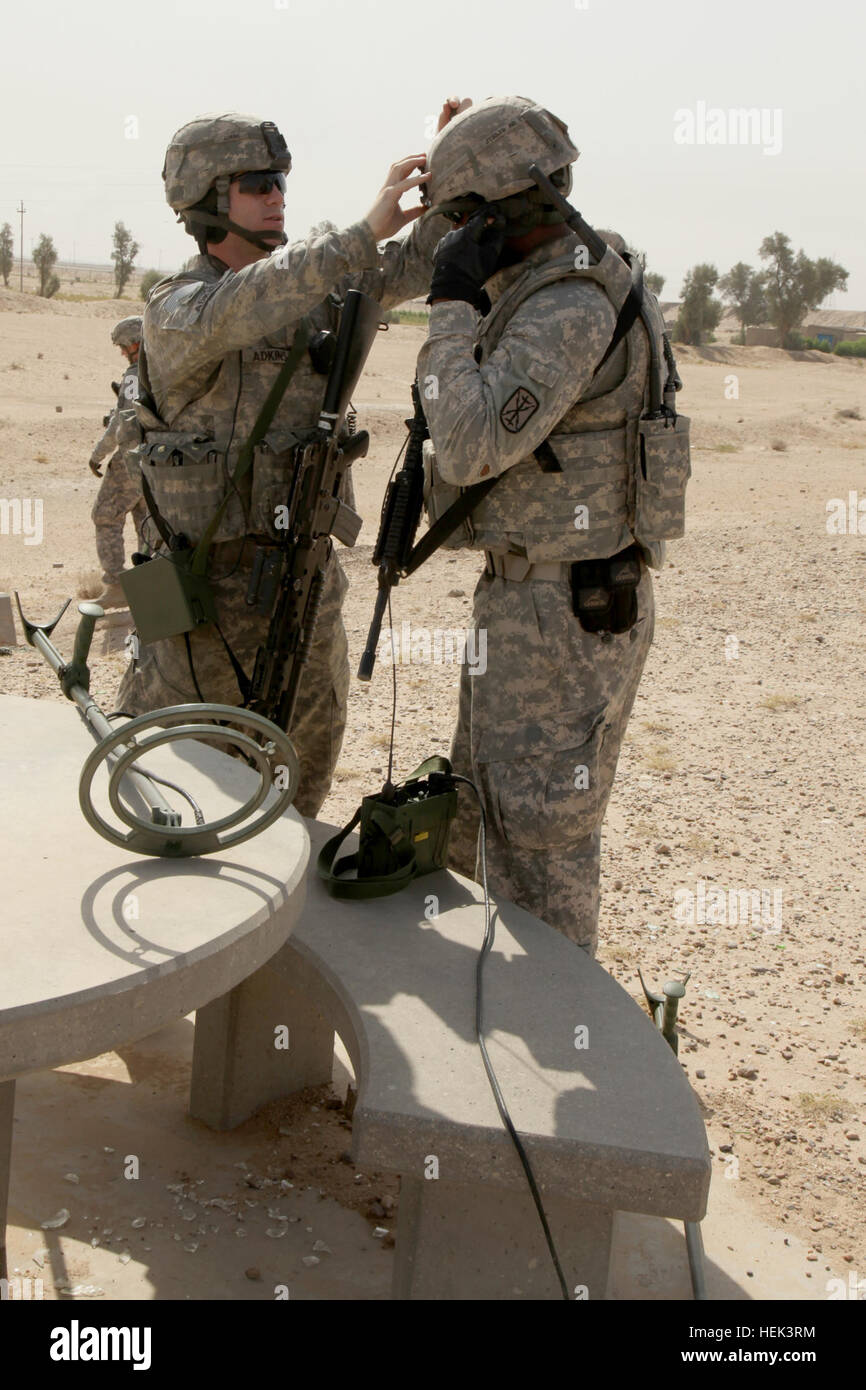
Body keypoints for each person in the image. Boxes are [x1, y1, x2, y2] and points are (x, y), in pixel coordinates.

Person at [116, 104, 465, 817]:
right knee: (190, 795)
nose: (277, 194)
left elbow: (413, 262)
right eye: (256, 182)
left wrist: (451, 167)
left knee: (297, 789)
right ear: (209, 200)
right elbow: (251, 302)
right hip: (199, 615)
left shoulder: (322, 298)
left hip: (302, 594)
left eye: (280, 179)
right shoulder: (178, 310)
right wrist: (362, 232)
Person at [416, 96, 689, 955]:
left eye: (461, 219)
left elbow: (464, 443)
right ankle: (494, 1024)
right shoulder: (572, 269)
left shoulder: (568, 304)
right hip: (538, 602)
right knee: (480, 811)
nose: (452, 238)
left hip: (560, 616)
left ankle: (563, 1050)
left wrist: (451, 306)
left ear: (500, 217)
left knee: (538, 847)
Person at [89, 316, 147, 608]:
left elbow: (120, 426)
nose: (123, 353)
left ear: (136, 343)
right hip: (155, 462)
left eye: (125, 347)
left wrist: (97, 455)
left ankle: (116, 586)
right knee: (146, 525)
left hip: (130, 460)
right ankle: (149, 591)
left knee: (105, 515)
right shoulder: (165, 369)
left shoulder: (136, 375)